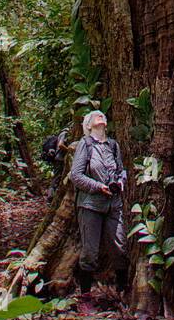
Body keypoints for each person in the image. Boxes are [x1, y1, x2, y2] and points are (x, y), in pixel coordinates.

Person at [70, 109, 128, 296]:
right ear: (88, 125)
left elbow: (121, 170)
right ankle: (85, 295)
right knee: (90, 252)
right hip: (90, 205)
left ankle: (123, 290)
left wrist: (120, 182)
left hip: (113, 203)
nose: (100, 115)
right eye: (95, 115)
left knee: (120, 247)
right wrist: (97, 186)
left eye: (102, 114)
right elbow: (76, 175)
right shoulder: (85, 144)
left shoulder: (113, 145)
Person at [42, 125, 71, 198]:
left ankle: (52, 195)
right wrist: (69, 150)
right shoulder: (65, 133)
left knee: (58, 177)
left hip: (58, 158)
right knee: (56, 177)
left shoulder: (61, 133)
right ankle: (50, 196)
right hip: (59, 159)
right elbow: (60, 145)